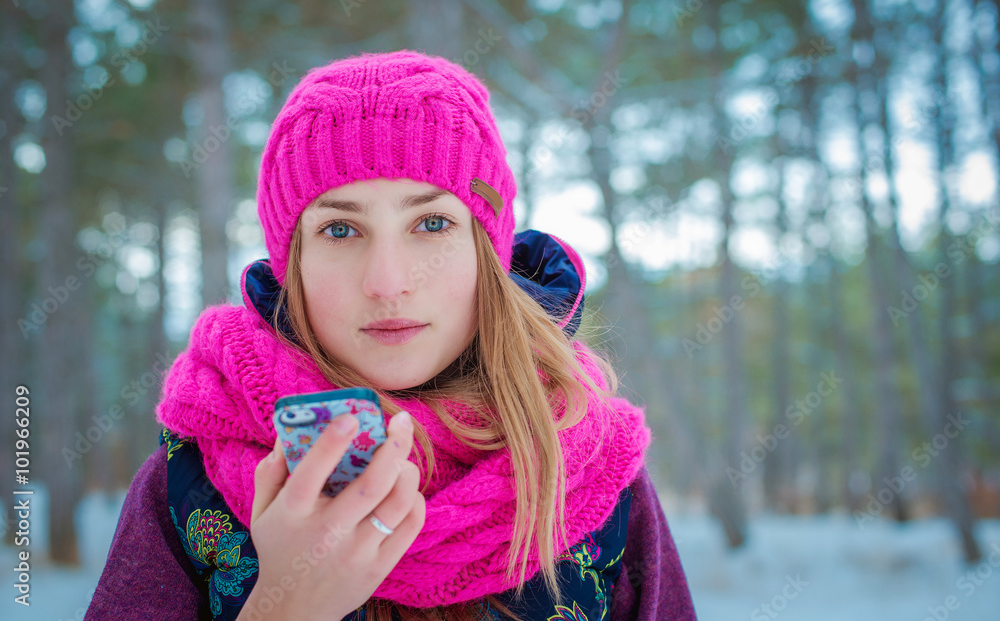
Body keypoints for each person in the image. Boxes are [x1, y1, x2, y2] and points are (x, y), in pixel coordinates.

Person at [85, 49, 696, 621]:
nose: (388, 283)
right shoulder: (194, 475)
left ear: (488, 251)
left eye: (431, 223)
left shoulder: (590, 469)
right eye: (341, 231)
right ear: (291, 264)